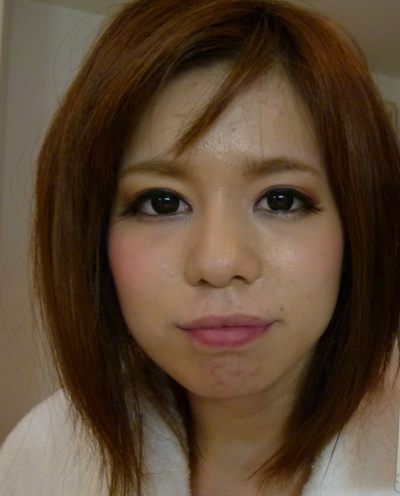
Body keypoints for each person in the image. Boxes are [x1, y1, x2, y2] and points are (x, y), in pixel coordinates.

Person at [1, 0, 400, 495]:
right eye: (162, 202)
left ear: (358, 228)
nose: (219, 262)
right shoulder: (38, 459)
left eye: (281, 199)